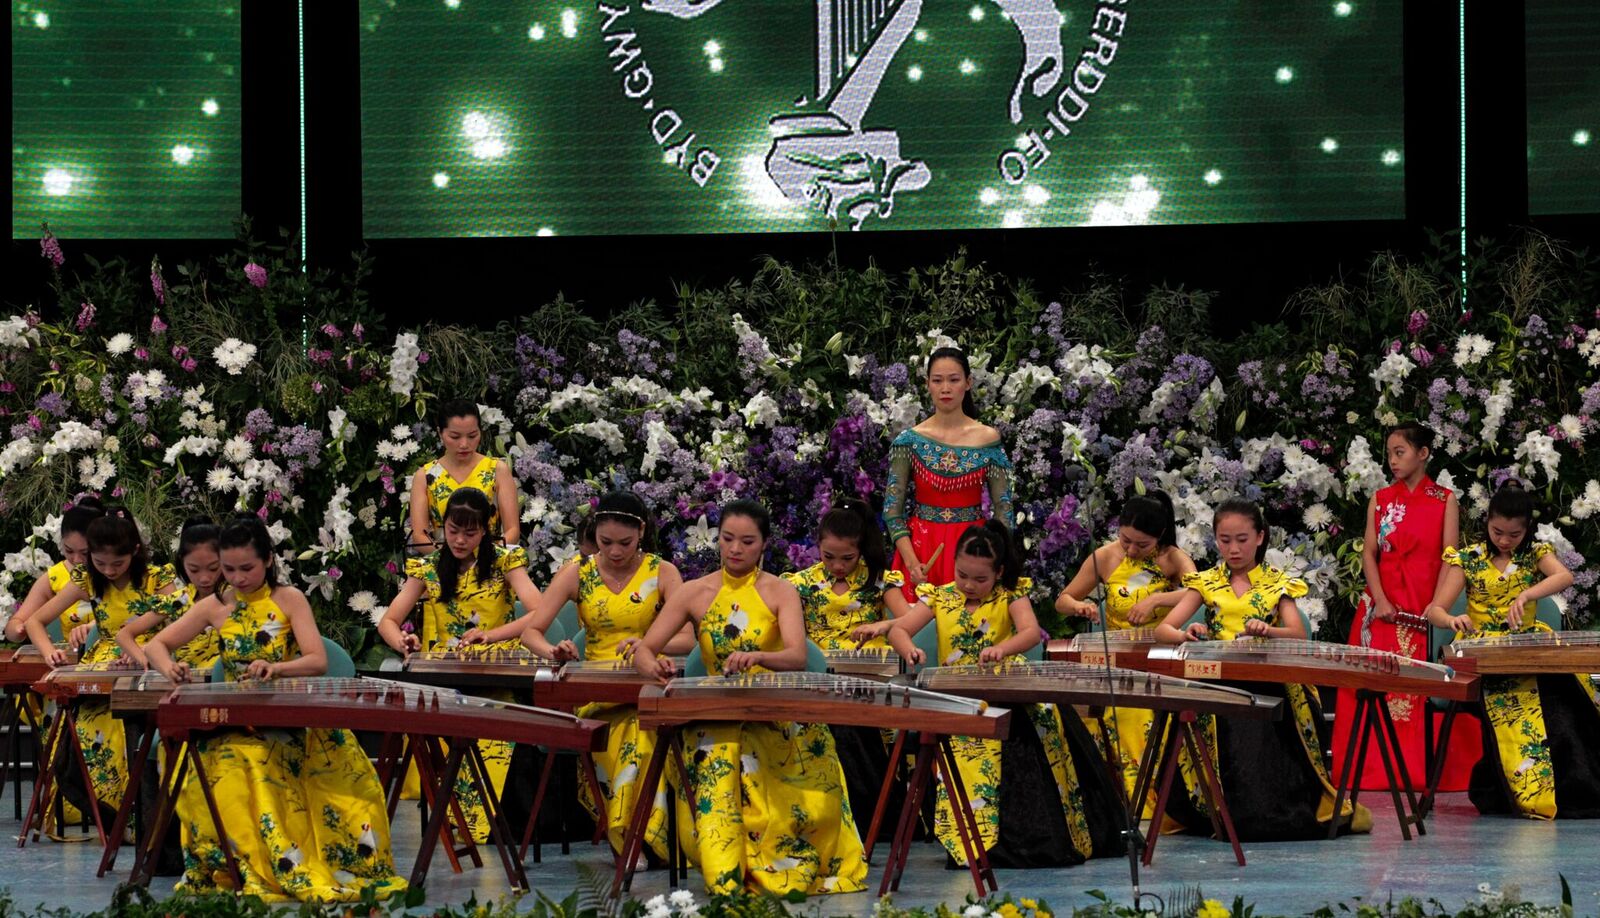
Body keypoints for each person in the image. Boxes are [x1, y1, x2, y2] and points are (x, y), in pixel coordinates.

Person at [145, 516, 406, 901]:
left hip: (290, 721)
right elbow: (155, 645)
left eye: (246, 568)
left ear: (268, 560)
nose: (237, 578)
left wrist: (277, 668)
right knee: (221, 762)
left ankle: (288, 860)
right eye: (228, 569)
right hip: (234, 724)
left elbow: (317, 659)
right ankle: (242, 865)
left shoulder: (289, 600)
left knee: (318, 773)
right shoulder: (216, 607)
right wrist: (171, 667)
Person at [632, 500, 868, 895]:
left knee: (779, 759)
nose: (735, 549)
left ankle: (776, 861)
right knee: (722, 753)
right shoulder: (695, 591)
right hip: (715, 716)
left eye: (746, 541)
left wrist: (760, 657)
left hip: (777, 716)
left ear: (763, 545)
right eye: (727, 539)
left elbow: (797, 654)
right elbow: (646, 647)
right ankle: (727, 869)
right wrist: (650, 666)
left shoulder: (780, 591)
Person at [887, 520, 1123, 868]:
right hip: (957, 698)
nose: (969, 585)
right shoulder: (941, 596)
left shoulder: (1011, 594)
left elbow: (1030, 633)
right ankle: (972, 840)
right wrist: (908, 649)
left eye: (980, 579)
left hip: (1001, 690)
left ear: (998, 573)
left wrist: (1003, 648)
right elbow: (899, 630)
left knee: (1030, 730)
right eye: (962, 574)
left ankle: (1023, 837)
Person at [1154, 498, 1372, 841]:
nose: (1234, 548)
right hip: (1219, 678)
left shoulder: (1276, 583)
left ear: (1259, 537)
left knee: (1261, 717)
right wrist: (1186, 633)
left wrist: (1268, 631)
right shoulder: (1206, 582)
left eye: (1242, 539)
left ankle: (1265, 808)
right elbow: (1164, 629)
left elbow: (1298, 633)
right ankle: (1214, 807)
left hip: (1267, 679)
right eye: (1225, 540)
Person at [503, 490, 692, 859]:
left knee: (644, 731)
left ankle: (637, 838)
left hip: (649, 686)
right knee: (630, 735)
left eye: (625, 542)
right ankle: (636, 839)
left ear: (641, 531)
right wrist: (555, 653)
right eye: (605, 543)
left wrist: (652, 643)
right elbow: (531, 633)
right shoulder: (578, 573)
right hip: (597, 693)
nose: (615, 552)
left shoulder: (663, 572)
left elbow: (690, 636)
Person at [377, 487, 542, 842]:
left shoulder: (503, 561)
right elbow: (388, 621)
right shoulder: (428, 568)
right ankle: (455, 816)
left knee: (494, 731)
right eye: (453, 531)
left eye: (470, 532)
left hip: (495, 670)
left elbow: (539, 611)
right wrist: (402, 641)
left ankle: (479, 821)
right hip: (443, 673)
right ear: (442, 527)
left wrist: (493, 635)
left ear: (486, 529)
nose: (460, 540)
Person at [1423, 483, 1594, 819]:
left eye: (1513, 535)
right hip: (1486, 652)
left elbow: (1564, 577)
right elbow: (1433, 610)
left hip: (1527, 646)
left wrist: (1527, 595)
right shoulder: (1468, 559)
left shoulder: (1534, 553)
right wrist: (1453, 617)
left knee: (1570, 696)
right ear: (1487, 521)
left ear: (1526, 530)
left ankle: (1575, 787)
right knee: (1521, 706)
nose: (1503, 540)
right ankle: (1523, 792)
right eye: (1497, 531)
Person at [1332, 422, 1471, 791]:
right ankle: (1365, 773)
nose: (1393, 461)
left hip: (1422, 608)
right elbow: (1369, 553)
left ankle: (1414, 773)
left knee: (1413, 691)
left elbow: (1450, 558)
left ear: (1423, 453)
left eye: (1400, 452)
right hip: (1381, 608)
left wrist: (1436, 607)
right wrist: (1379, 599)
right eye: (1390, 453)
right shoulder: (1380, 498)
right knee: (1370, 686)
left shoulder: (1445, 500)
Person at [24, 510, 177, 824]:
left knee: (129, 729)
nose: (108, 570)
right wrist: (49, 651)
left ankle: (140, 818)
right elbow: (34, 621)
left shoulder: (156, 578)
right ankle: (110, 815)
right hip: (103, 663)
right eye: (100, 562)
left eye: (117, 564)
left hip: (150, 657)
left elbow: (182, 618)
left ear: (134, 552)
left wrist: (144, 648)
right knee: (87, 728)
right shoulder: (86, 580)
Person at [1054, 491, 1196, 812]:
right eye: (1125, 539)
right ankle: (1121, 800)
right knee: (1112, 710)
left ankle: (1152, 802)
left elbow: (1201, 591)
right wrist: (1081, 606)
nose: (1131, 550)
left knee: (1143, 711)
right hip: (1116, 659)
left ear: (1159, 536)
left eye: (1141, 545)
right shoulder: (1106, 556)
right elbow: (1062, 600)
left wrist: (1156, 600)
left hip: (1161, 659)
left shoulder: (1173, 558)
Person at [787, 496, 917, 822]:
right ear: (817, 545)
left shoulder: (877, 580)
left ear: (860, 549)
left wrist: (881, 626)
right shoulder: (800, 584)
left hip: (868, 675)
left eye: (848, 557)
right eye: (828, 557)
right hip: (820, 676)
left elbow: (910, 620)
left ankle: (879, 809)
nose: (838, 566)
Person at [883, 347, 1014, 602]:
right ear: (927, 384)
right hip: (921, 549)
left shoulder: (987, 439)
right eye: (937, 380)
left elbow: (1004, 509)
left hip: (972, 550)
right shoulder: (908, 441)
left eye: (954, 380)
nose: (946, 388)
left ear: (968, 383)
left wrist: (993, 555)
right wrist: (911, 563)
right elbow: (892, 510)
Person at [407, 400, 520, 552]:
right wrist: (451, 561)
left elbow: (512, 530)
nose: (464, 444)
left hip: (490, 561)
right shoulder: (425, 476)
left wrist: (485, 558)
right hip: (442, 563)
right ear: (441, 433)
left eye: (472, 436)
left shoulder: (497, 470)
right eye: (455, 437)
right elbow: (419, 536)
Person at [115, 518, 224, 671]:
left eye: (213, 568)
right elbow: (123, 635)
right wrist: (143, 658)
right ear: (182, 562)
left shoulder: (233, 597)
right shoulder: (180, 600)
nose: (204, 578)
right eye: (194, 569)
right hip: (189, 682)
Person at [4, 496, 105, 644]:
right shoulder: (56, 577)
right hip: (74, 659)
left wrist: (94, 627)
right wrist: (20, 629)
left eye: (85, 553)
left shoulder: (116, 573)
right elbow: (19, 623)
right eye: (69, 551)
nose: (76, 560)